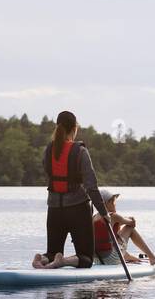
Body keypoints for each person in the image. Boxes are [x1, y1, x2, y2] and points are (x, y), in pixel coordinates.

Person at [31, 111, 110, 269]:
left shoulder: (48, 150)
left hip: (54, 209)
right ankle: (64, 261)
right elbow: (91, 187)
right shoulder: (80, 151)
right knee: (86, 258)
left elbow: (48, 171)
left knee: (52, 252)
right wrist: (104, 212)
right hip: (77, 210)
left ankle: (43, 259)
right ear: (75, 128)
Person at [92, 191, 155, 267]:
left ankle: (127, 256)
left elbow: (115, 226)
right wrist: (130, 219)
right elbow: (131, 223)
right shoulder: (113, 216)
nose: (115, 204)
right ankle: (152, 258)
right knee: (129, 228)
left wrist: (123, 220)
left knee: (117, 233)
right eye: (113, 201)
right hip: (110, 259)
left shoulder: (94, 218)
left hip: (98, 260)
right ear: (107, 203)